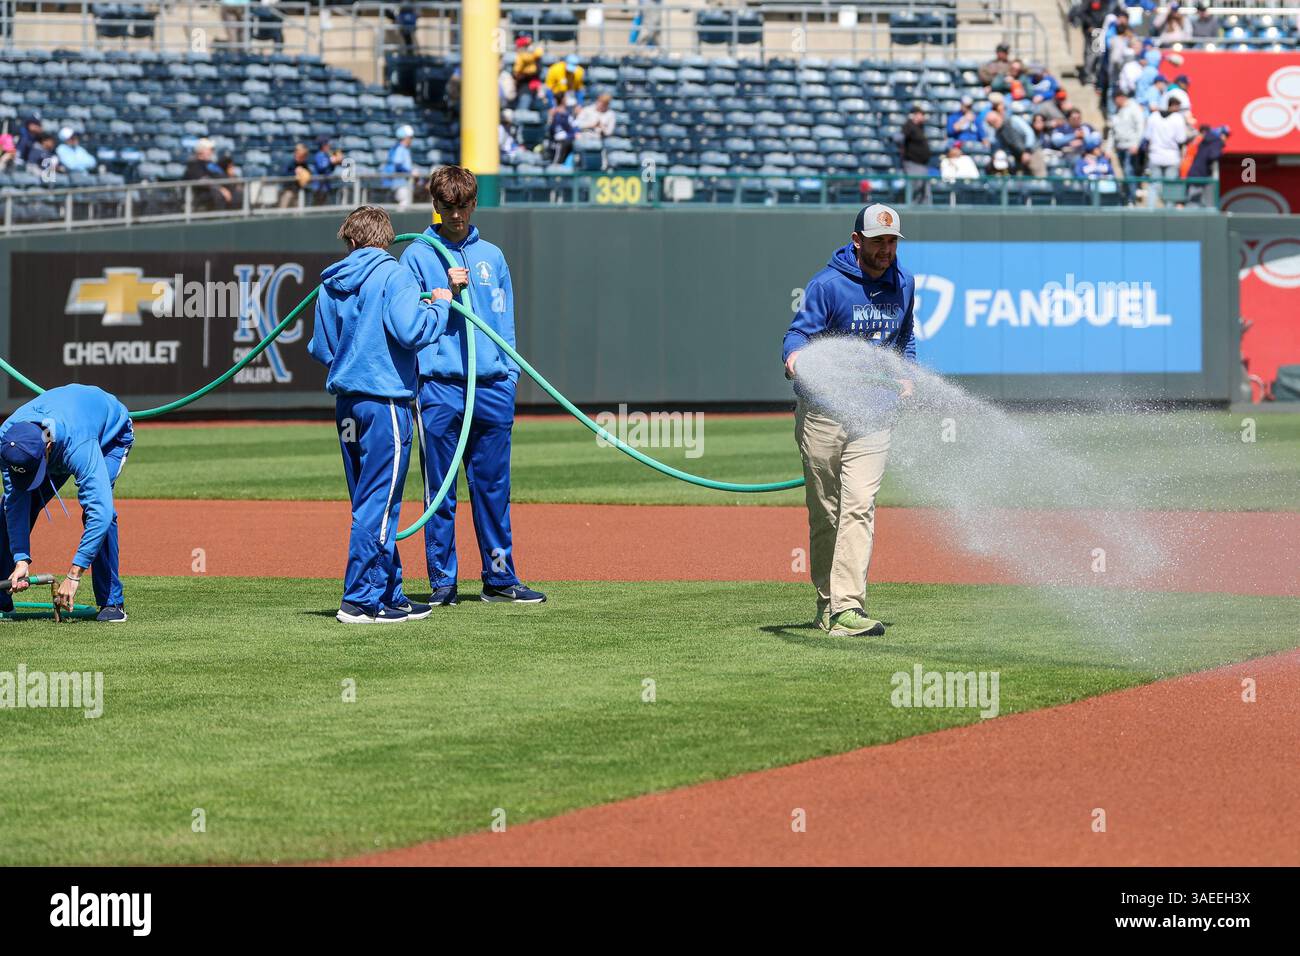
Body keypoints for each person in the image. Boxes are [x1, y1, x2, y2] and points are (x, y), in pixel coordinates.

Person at [399, 165, 546, 607]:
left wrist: (509, 376)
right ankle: (443, 584)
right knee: (440, 491)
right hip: (440, 386)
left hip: (491, 385)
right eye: (447, 209)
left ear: (474, 204)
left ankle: (499, 580)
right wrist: (442, 289)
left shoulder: (493, 256)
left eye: (462, 208)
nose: (456, 217)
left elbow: (506, 322)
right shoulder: (418, 255)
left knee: (493, 489)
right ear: (435, 206)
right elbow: (408, 321)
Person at [307, 205, 453, 625]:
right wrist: (440, 304)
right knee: (380, 503)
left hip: (347, 403)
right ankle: (360, 599)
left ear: (351, 240)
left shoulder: (331, 282)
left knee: (368, 500)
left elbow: (323, 349)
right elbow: (412, 332)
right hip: (386, 402)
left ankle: (390, 593)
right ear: (385, 239)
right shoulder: (394, 275)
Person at [782, 204, 916, 638]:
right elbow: (798, 333)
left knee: (859, 505)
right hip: (823, 412)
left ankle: (847, 609)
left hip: (874, 413)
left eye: (892, 241)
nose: (886, 250)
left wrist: (905, 374)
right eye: (878, 241)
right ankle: (826, 602)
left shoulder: (904, 283)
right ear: (857, 240)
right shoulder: (828, 286)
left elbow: (903, 339)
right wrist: (796, 358)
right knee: (826, 513)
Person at [1, 384, 134, 622]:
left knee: (100, 512)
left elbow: (100, 513)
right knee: (9, 507)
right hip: (57, 440)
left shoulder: (78, 446)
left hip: (108, 437)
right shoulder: (7, 440)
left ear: (48, 448)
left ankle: (111, 601)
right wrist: (21, 558)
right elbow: (15, 503)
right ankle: (3, 592)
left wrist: (74, 575)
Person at [1145, 95, 1191, 207]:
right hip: (1171, 157)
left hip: (1155, 155)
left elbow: (1147, 136)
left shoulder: (1153, 116)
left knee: (1154, 185)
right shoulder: (1177, 118)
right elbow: (1181, 139)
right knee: (1169, 186)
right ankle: (1168, 212)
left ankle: (1150, 210)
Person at [183, 138, 232, 211]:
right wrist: (221, 189)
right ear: (200, 151)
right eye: (209, 149)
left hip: (224, 193)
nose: (212, 152)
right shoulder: (194, 165)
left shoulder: (212, 163)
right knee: (215, 195)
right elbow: (203, 180)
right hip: (204, 198)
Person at [900, 104, 932, 204]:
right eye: (920, 114)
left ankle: (925, 211)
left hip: (922, 164)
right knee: (915, 188)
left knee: (924, 191)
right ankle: (911, 209)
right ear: (914, 115)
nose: (922, 116)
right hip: (913, 163)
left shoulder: (920, 127)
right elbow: (899, 138)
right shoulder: (908, 126)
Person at [383, 124, 416, 208]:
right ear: (406, 138)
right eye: (410, 137)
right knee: (403, 205)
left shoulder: (403, 149)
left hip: (402, 182)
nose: (411, 140)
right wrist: (410, 172)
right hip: (400, 183)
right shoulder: (400, 149)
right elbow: (398, 165)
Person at [311, 136, 345, 206]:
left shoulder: (326, 155)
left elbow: (329, 170)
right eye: (327, 144)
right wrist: (331, 161)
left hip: (325, 186)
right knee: (317, 207)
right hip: (318, 187)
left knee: (324, 207)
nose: (329, 146)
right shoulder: (319, 155)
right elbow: (321, 167)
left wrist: (335, 163)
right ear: (323, 145)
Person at [278, 142, 313, 208]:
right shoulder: (288, 160)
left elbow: (309, 173)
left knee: (296, 213)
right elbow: (283, 174)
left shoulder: (303, 163)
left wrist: (304, 172)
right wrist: (295, 173)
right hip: (287, 190)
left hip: (297, 190)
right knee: (283, 210)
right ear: (296, 153)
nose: (303, 158)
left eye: (304, 156)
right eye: (301, 155)